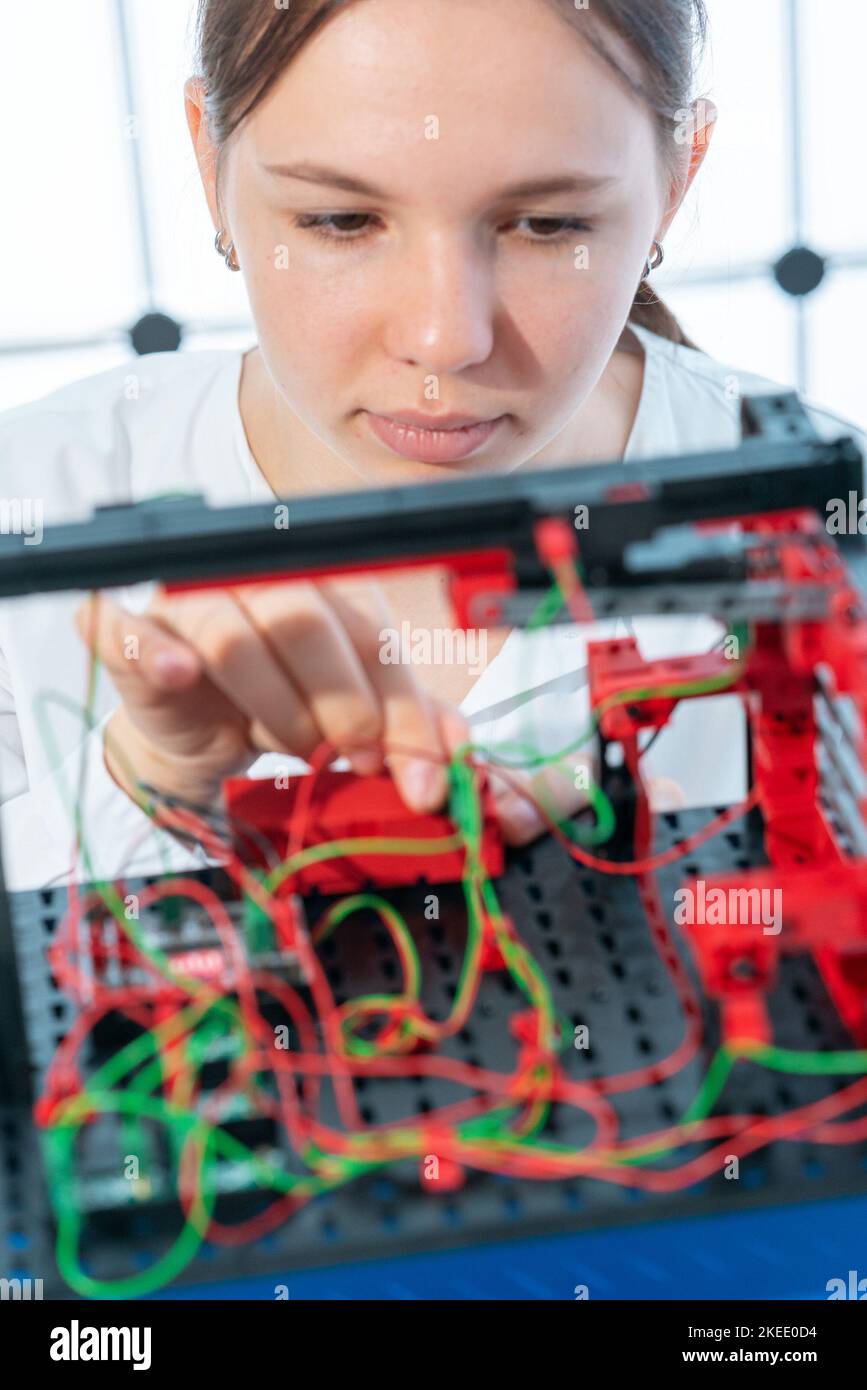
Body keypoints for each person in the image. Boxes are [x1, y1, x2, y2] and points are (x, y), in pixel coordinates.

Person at [0, 0, 861, 891]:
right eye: (340, 221)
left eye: (547, 225)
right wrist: (142, 782)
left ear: (675, 181)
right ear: (209, 161)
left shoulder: (835, 509)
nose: (444, 339)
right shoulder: (24, 494)